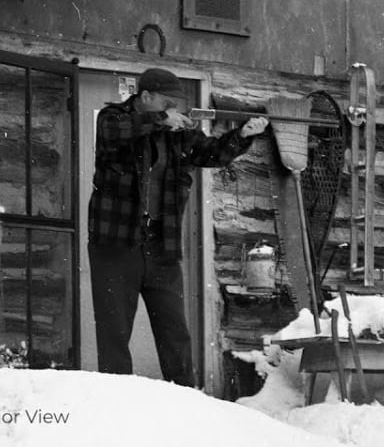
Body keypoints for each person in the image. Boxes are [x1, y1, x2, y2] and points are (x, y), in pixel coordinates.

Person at [88, 67, 267, 387]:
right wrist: (159, 120)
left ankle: (187, 403)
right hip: (115, 246)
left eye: (178, 103)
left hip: (161, 246)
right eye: (168, 102)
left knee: (175, 336)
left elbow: (212, 153)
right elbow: (116, 132)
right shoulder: (113, 118)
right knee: (114, 336)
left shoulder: (178, 135)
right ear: (145, 97)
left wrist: (243, 136)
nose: (176, 109)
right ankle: (115, 409)